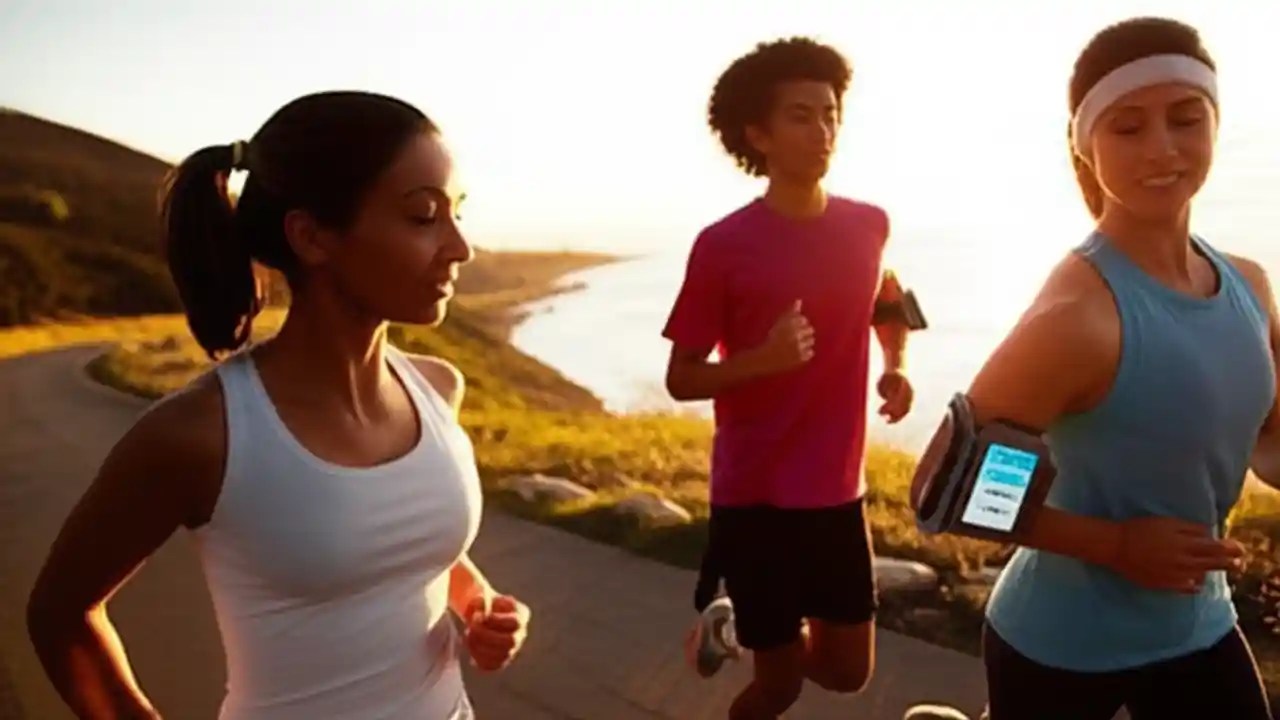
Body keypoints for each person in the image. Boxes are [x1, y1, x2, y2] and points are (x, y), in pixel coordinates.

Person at [25, 91, 531, 720]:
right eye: (423, 216)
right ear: (313, 236)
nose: (461, 247)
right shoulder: (203, 434)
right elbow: (59, 614)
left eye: (457, 212)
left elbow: (402, 547)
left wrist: (478, 605)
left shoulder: (437, 388)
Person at [911, 17, 1278, 720]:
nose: (1162, 149)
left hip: (1197, 624)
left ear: (1215, 125)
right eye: (1128, 127)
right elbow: (945, 488)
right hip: (1060, 643)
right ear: (1087, 146)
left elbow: (1267, 435)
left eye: (1185, 119)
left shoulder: (1250, 286)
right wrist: (1114, 544)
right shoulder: (1081, 318)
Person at [662, 37, 916, 720]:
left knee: (847, 671)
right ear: (759, 134)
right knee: (779, 689)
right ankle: (750, 635)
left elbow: (887, 300)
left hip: (837, 492)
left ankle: (734, 629)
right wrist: (760, 363)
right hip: (757, 499)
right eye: (801, 116)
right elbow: (682, 378)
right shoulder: (722, 245)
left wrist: (895, 366)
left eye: (831, 113)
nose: (823, 130)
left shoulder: (868, 225)